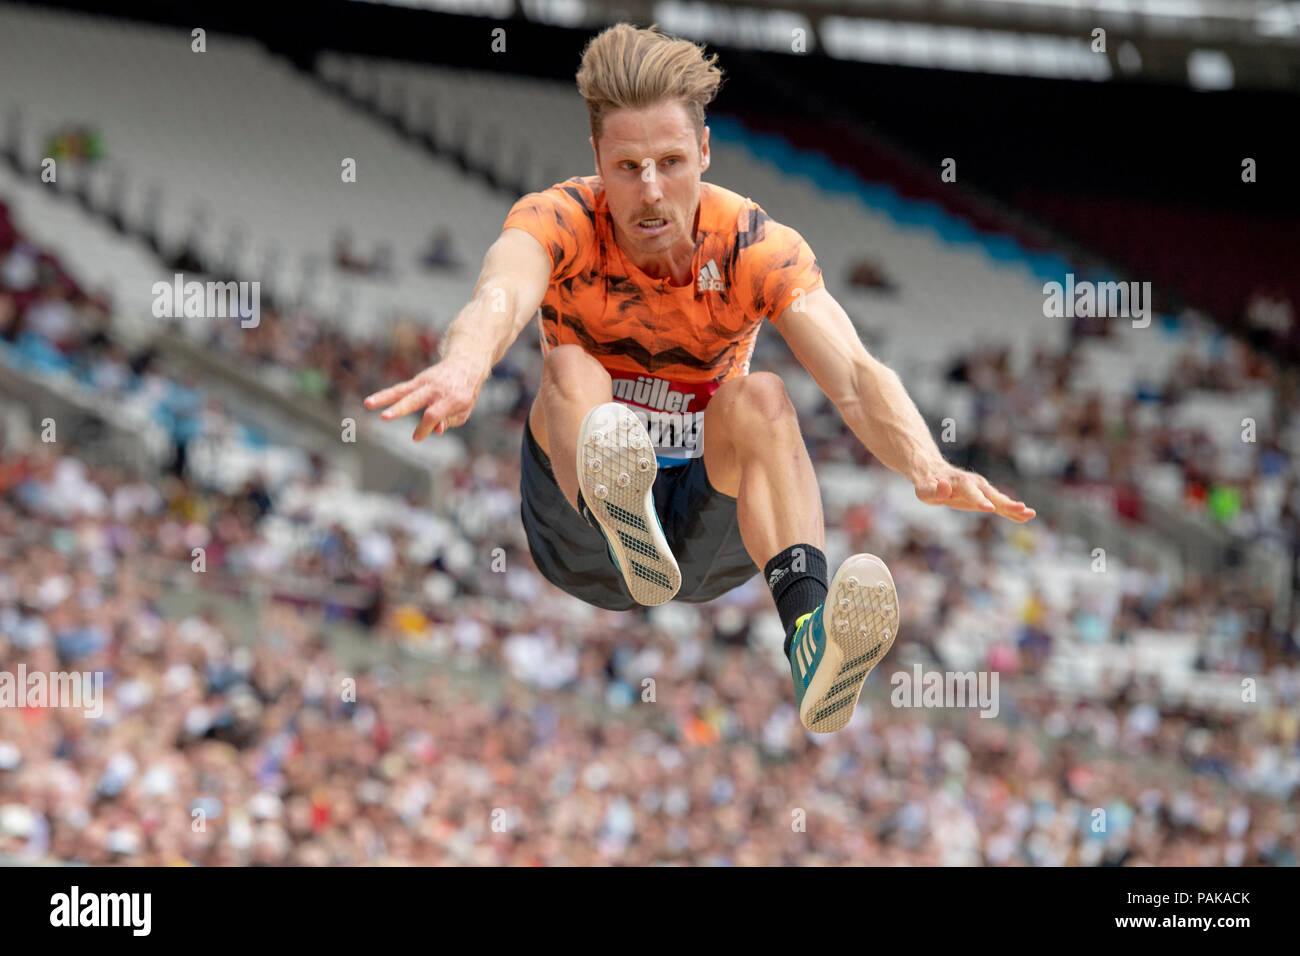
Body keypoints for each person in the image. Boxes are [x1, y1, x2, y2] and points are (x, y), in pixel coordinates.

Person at [364, 23, 1035, 733]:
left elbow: (854, 374)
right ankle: (618, 512)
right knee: (567, 366)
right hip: (579, 533)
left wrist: (925, 464)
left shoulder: (754, 245)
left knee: (764, 398)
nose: (651, 191)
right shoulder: (558, 219)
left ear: (705, 151)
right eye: (628, 168)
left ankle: (810, 637)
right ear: (597, 158)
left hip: (701, 526)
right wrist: (466, 363)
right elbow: (499, 295)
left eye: (671, 162)